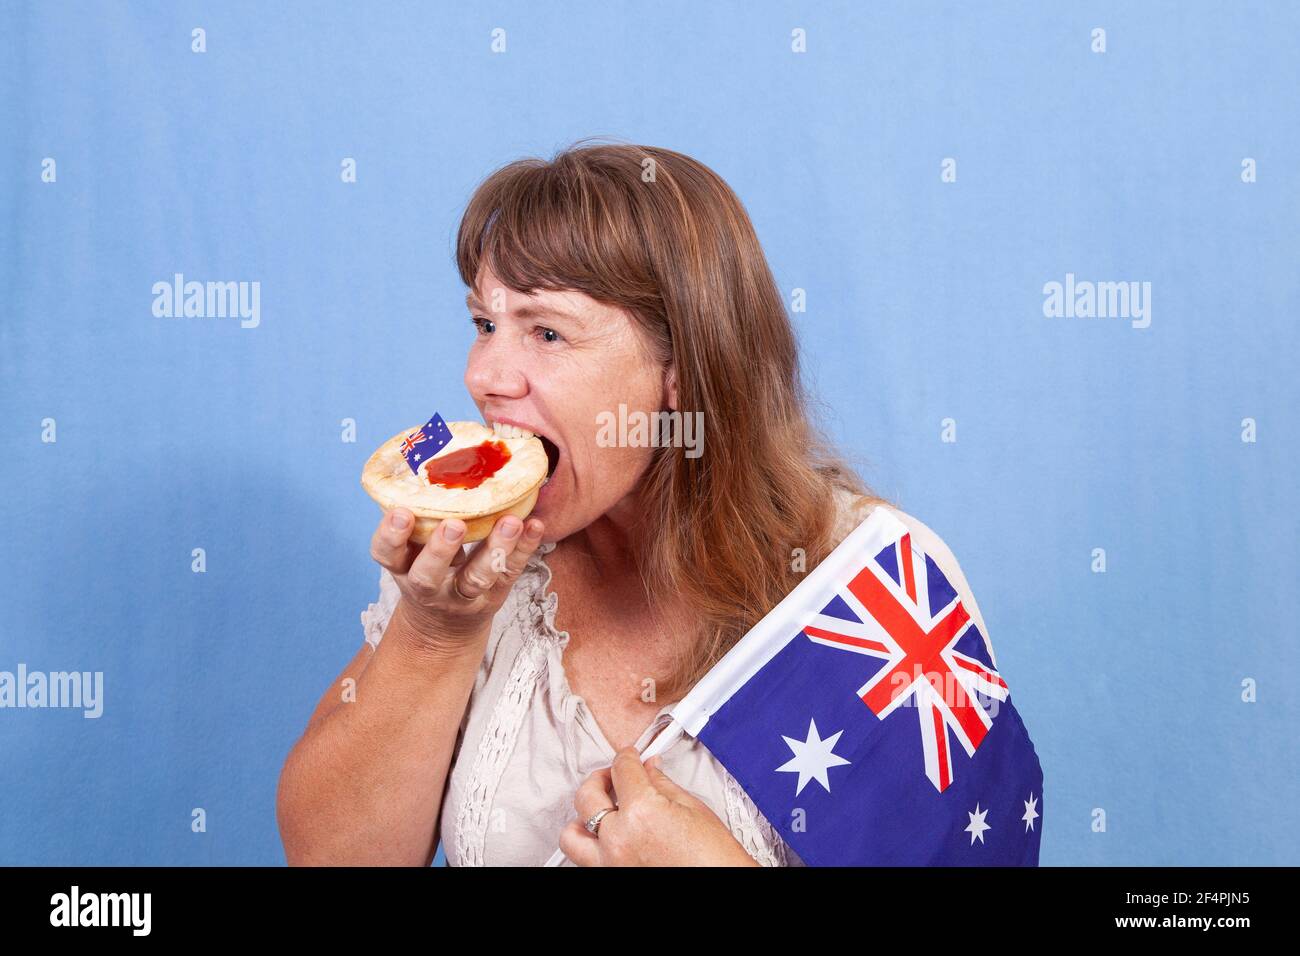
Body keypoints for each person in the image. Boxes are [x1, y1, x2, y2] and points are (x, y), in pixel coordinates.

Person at [276, 140, 993, 866]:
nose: (483, 375)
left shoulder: (873, 585)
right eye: (484, 324)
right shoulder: (469, 564)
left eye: (546, 332)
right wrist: (434, 636)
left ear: (682, 370)